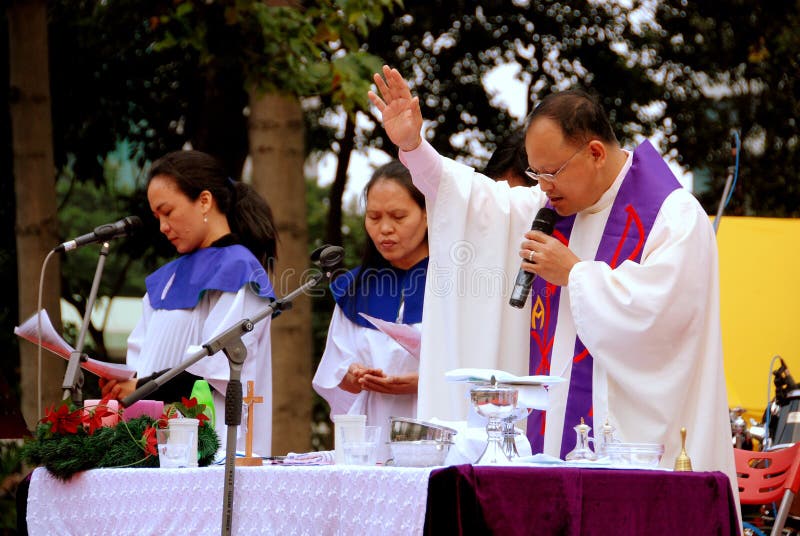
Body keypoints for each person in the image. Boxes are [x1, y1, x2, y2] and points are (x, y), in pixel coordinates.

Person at [368, 66, 736, 486]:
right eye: (536, 174)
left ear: (596, 153)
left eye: (552, 173)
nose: (543, 187)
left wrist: (576, 275)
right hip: (553, 439)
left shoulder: (673, 215)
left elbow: (665, 319)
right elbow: (475, 203)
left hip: (641, 450)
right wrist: (415, 147)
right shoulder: (550, 210)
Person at [100, 150, 278, 458]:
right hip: (152, 444)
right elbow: (138, 361)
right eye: (157, 217)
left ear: (205, 201)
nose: (162, 227)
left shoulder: (238, 269)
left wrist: (143, 388)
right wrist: (124, 384)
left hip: (214, 449)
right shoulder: (164, 280)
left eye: (168, 212)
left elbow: (215, 369)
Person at [313, 160, 428, 460]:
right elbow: (335, 376)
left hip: (436, 434)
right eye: (374, 217)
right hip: (370, 439)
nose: (384, 229)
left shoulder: (457, 287)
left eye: (398, 216)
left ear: (428, 215)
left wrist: (421, 383)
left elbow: (479, 371)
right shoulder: (355, 289)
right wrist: (351, 377)